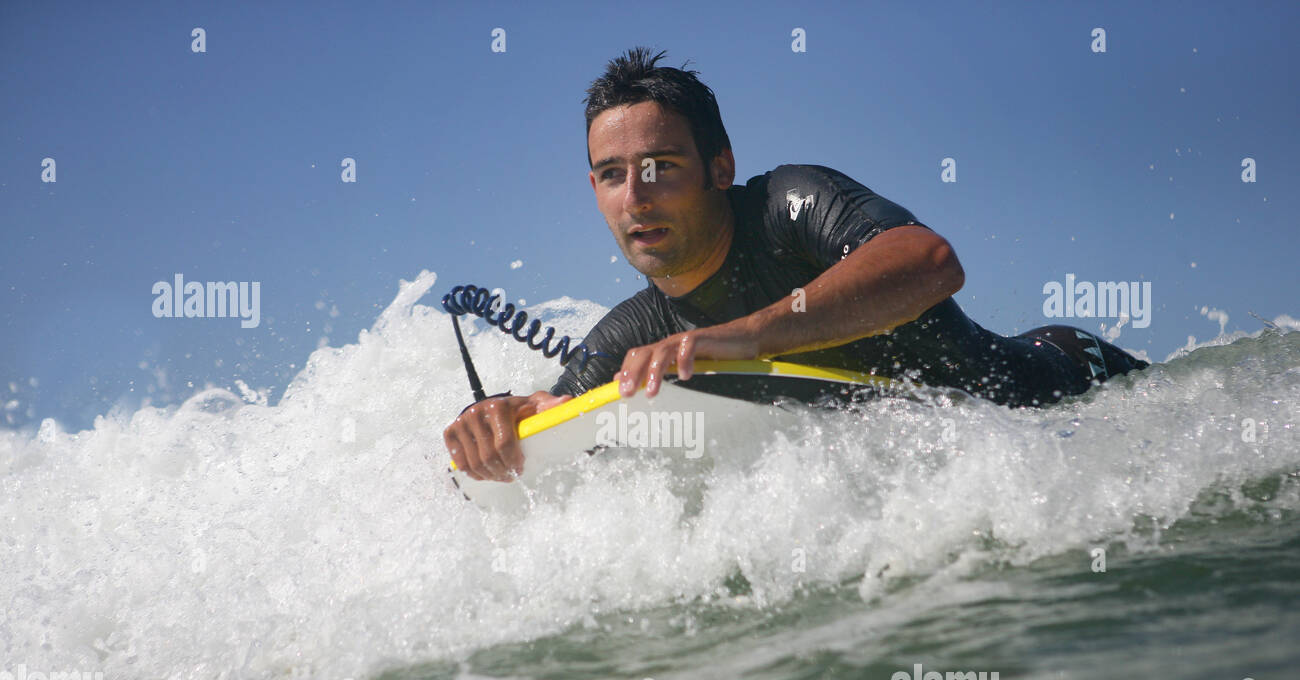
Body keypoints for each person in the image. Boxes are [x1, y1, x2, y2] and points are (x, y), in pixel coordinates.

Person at [444, 48, 1148, 482]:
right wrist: (501, 423)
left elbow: (929, 262)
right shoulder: (635, 333)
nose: (636, 196)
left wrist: (746, 337)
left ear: (721, 167)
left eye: (661, 166)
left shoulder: (788, 206)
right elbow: (560, 416)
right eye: (611, 174)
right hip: (965, 482)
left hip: (1065, 391)